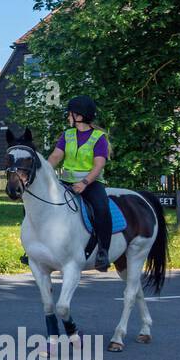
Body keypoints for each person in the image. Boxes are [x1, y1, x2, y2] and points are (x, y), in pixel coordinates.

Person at [48, 96, 112, 271]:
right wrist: (43, 173)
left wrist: (84, 183)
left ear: (79, 116)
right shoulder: (67, 135)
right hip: (66, 182)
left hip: (91, 183)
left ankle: (103, 253)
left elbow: (99, 164)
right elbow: (55, 157)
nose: (68, 117)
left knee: (102, 209)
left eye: (70, 114)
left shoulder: (99, 137)